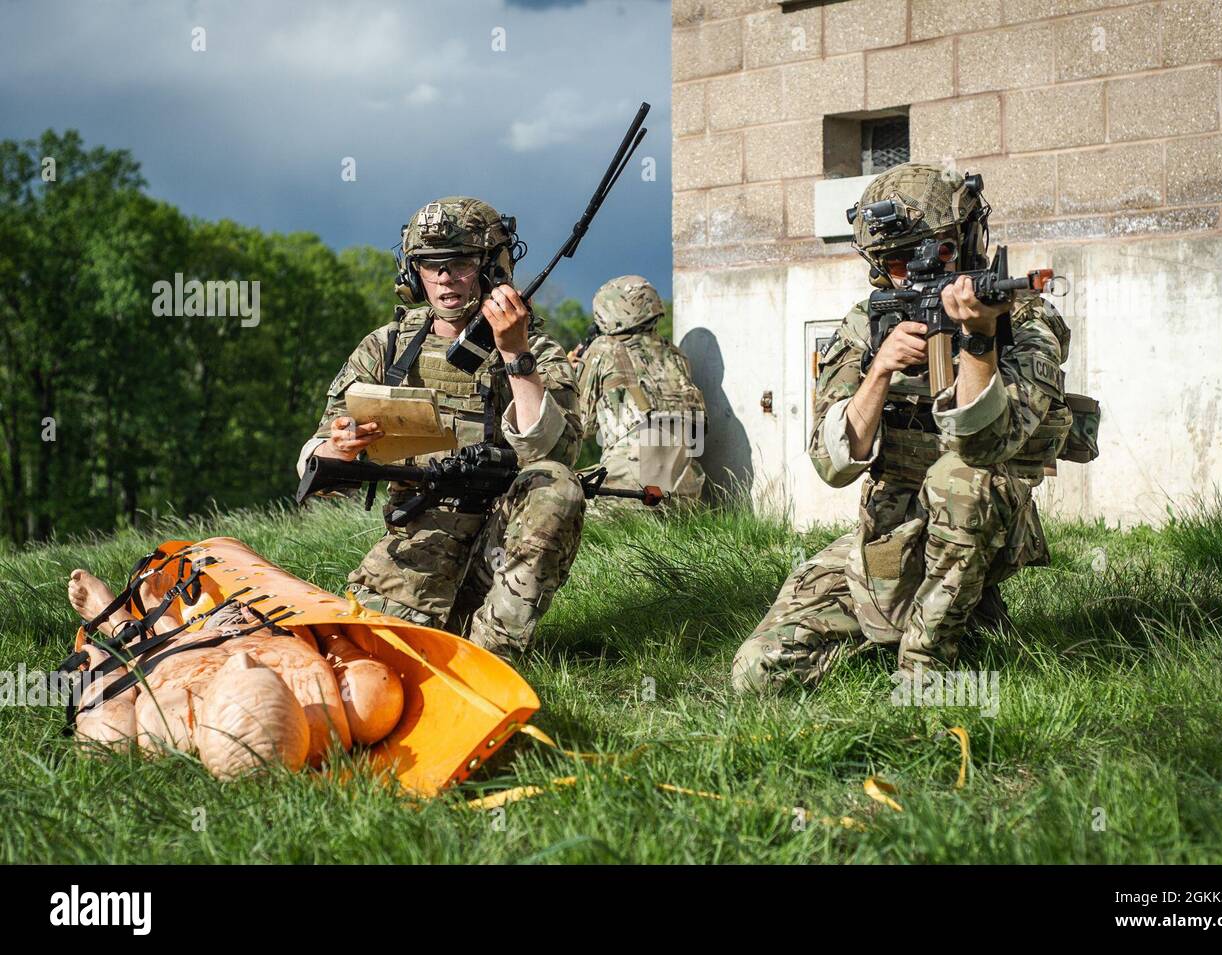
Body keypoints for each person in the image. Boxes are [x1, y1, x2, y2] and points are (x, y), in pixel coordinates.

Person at [732, 162, 1075, 695]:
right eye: (892, 262)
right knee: (760, 672)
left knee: (961, 479)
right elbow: (832, 464)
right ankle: (946, 621)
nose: (908, 271)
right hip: (889, 528)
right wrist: (880, 369)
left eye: (928, 253)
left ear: (961, 242)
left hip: (979, 520)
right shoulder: (867, 324)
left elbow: (985, 447)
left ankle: (926, 673)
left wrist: (979, 340)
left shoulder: (1025, 320)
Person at [298, 197, 585, 657]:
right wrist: (341, 449)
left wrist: (514, 353)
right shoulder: (385, 348)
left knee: (558, 486)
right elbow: (317, 462)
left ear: (493, 267)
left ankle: (493, 655)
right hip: (417, 542)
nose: (445, 277)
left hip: (498, 546)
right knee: (368, 659)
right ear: (413, 274)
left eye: (460, 262)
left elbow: (557, 454)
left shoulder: (536, 351)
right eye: (430, 266)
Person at [572, 275, 708, 509]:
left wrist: (572, 375)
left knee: (558, 494)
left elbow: (581, 426)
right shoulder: (674, 355)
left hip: (630, 493)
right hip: (685, 495)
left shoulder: (603, 349)